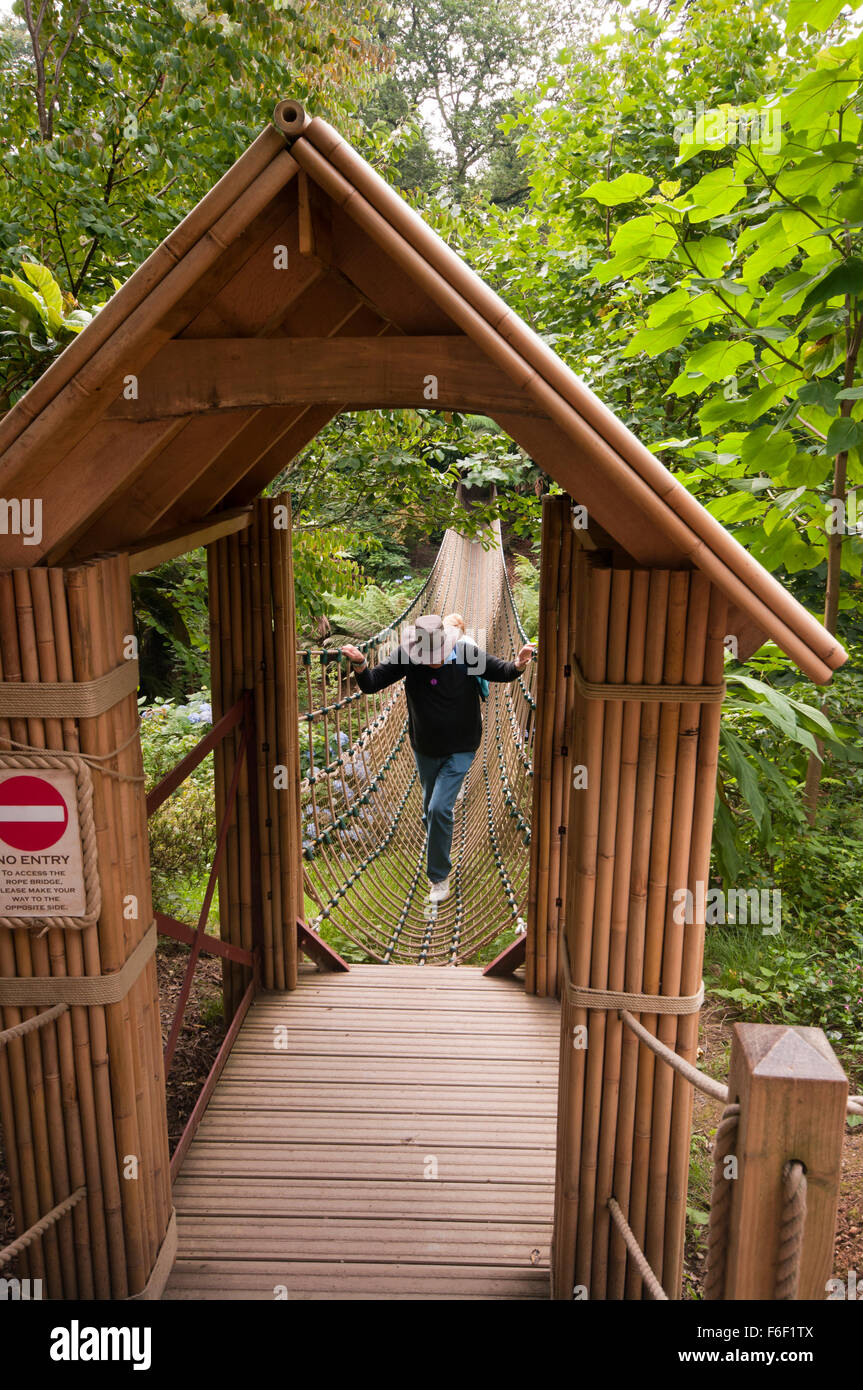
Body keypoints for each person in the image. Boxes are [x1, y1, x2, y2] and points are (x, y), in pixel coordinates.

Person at [342, 613, 534, 904]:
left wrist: (520, 663)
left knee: (439, 809)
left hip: (462, 745)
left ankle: (438, 877)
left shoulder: (466, 653)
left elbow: (502, 671)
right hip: (425, 747)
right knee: (429, 811)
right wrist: (359, 663)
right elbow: (371, 683)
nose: (437, 659)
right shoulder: (406, 657)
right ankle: (438, 844)